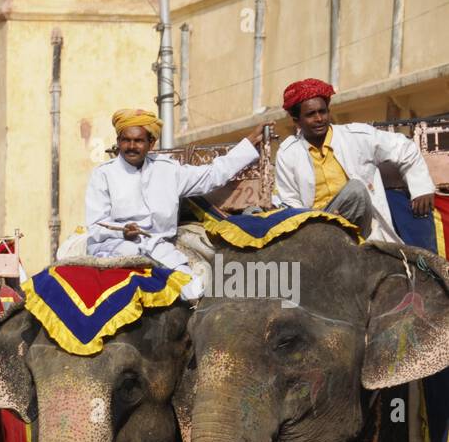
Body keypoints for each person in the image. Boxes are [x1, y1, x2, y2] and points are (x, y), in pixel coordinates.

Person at [85, 109, 270, 300]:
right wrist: (122, 231)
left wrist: (248, 144)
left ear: (151, 143)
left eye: (139, 141)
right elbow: (96, 225)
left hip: (160, 249)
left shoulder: (168, 170)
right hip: (115, 247)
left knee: (194, 289)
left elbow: (212, 175)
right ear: (118, 142)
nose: (131, 146)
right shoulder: (103, 175)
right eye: (126, 140)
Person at [273, 78, 435, 242]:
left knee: (356, 190)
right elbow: (290, 202)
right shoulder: (287, 153)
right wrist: (319, 220)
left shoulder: (357, 136)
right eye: (310, 114)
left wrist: (421, 188)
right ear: (296, 120)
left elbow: (405, 147)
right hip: (315, 227)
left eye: (322, 112)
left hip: (361, 226)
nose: (319, 118)